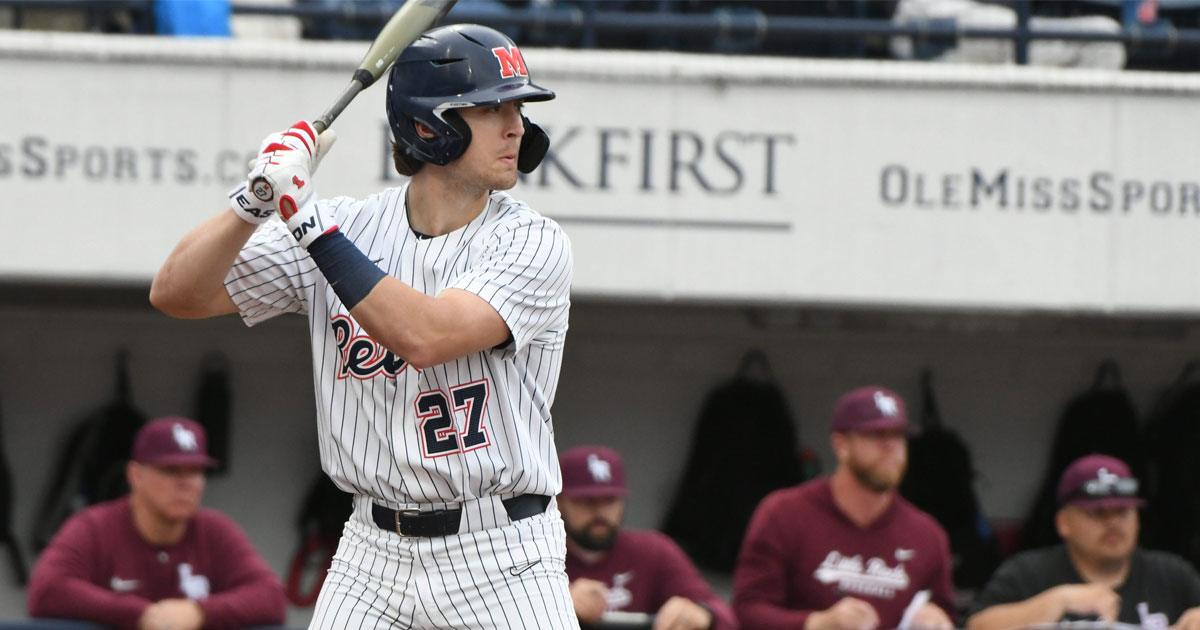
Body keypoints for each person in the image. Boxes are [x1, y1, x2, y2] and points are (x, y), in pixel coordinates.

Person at [149, 23, 575, 630]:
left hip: (503, 554)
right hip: (370, 554)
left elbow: (425, 336)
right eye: (489, 108)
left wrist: (308, 222)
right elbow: (176, 293)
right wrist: (255, 198)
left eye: (517, 108)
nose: (516, 126)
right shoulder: (349, 227)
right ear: (429, 126)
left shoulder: (531, 241)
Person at [27, 417, 286, 630]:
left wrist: (198, 612)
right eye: (171, 470)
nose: (186, 484)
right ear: (135, 474)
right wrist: (140, 614)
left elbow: (271, 596)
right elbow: (47, 589)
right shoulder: (93, 526)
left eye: (195, 471)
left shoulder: (216, 530)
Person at [733, 386, 956, 630]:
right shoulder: (783, 513)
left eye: (898, 435)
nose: (891, 446)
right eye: (876, 435)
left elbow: (946, 612)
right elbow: (747, 610)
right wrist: (817, 623)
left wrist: (936, 620)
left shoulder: (928, 535)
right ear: (841, 445)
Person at [967, 453, 1200, 630]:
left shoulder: (1171, 574)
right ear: (1063, 523)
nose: (1112, 523)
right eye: (1097, 513)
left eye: (1122, 511)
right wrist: (1057, 601)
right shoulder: (1027, 572)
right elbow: (975, 625)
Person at [559, 445, 738, 630]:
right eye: (586, 501)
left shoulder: (652, 550)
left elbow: (725, 617)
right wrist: (556, 602)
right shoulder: (538, 555)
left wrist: (703, 614)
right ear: (558, 502)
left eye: (610, 500)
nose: (600, 512)